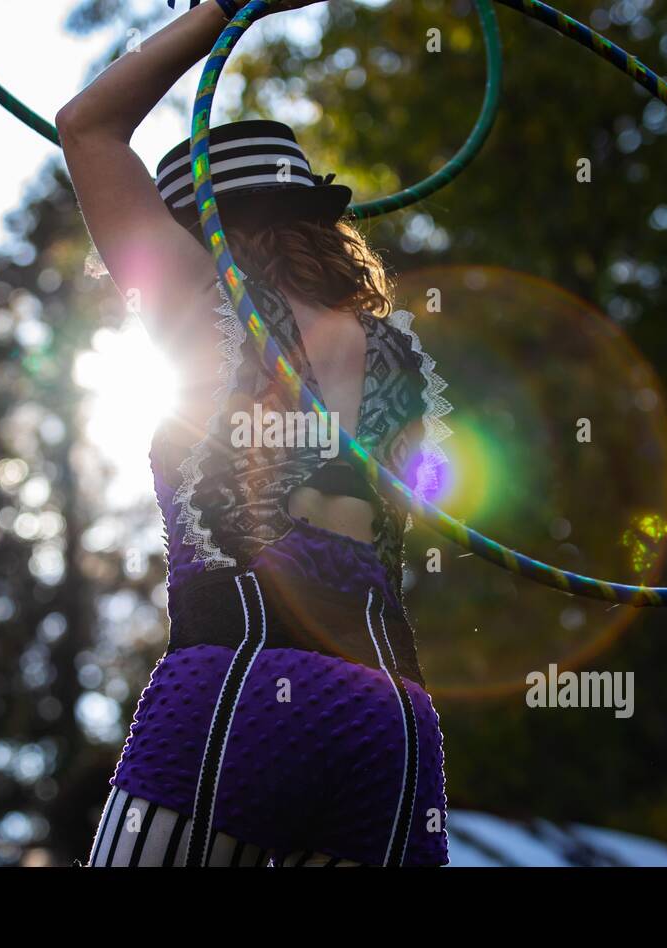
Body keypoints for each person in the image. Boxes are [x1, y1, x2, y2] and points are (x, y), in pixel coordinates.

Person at [56, 0, 452, 866]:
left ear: (200, 229)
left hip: (241, 688)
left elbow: (86, 128)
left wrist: (222, 10)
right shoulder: (398, 353)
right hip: (393, 721)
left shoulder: (202, 308)